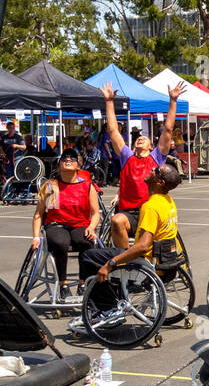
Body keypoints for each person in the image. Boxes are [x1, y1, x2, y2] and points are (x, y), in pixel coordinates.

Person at [73, 164, 183, 331]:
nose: (152, 170)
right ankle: (109, 299)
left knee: (88, 256)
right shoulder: (168, 202)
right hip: (166, 262)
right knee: (104, 252)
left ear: (160, 181)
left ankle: (106, 308)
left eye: (156, 171)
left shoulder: (151, 207)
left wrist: (111, 263)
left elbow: (142, 246)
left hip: (145, 264)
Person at [101, 80, 182, 249]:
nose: (140, 138)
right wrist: (109, 102)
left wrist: (173, 101)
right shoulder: (126, 157)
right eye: (138, 138)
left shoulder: (157, 157)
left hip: (151, 210)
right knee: (116, 220)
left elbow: (167, 130)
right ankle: (126, 260)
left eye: (144, 138)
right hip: (129, 212)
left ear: (151, 146)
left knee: (152, 243)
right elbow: (113, 131)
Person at [30, 147, 101, 299]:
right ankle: (63, 284)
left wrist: (91, 227)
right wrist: (36, 236)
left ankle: (83, 282)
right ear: (59, 164)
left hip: (80, 224)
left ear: (78, 165)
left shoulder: (87, 186)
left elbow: (95, 214)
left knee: (87, 241)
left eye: (72, 158)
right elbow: (39, 214)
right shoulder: (51, 186)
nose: (68, 160)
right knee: (61, 242)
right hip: (57, 224)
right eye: (64, 158)